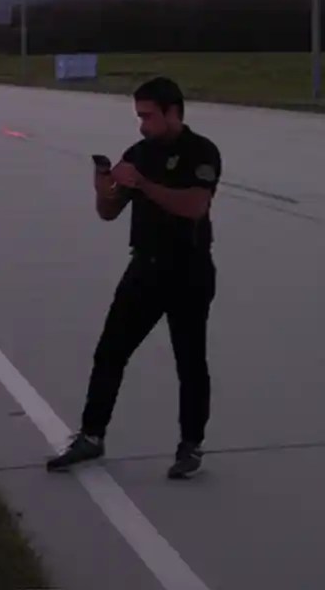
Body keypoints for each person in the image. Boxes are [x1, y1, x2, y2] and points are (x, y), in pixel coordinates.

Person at [46, 76, 221, 479]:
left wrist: (141, 182)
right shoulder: (138, 153)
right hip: (145, 267)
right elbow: (109, 212)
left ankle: (190, 446)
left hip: (189, 270)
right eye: (138, 116)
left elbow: (194, 205)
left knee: (190, 361)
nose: (141, 124)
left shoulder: (200, 151)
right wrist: (102, 188)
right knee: (110, 351)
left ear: (173, 111)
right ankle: (91, 436)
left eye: (148, 115)